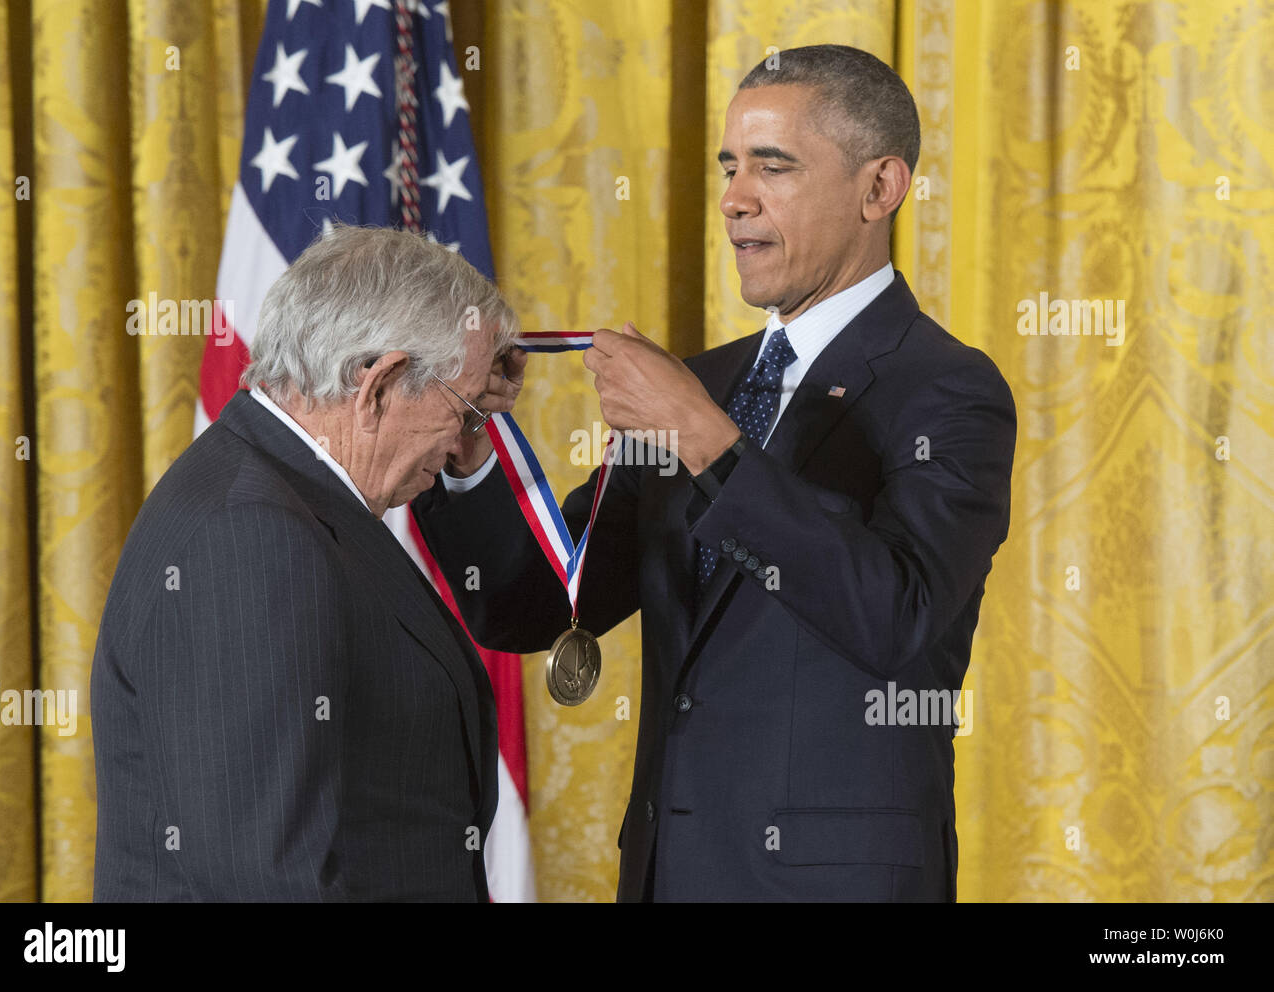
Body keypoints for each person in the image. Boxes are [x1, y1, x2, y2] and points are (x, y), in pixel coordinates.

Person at [416, 44, 1016, 901]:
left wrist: (704, 437)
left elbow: (896, 616)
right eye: (732, 167)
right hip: (668, 875)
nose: (734, 200)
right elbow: (532, 605)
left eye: (774, 167)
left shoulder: (950, 389)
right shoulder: (703, 381)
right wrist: (473, 449)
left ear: (879, 189)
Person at [91, 226, 518, 901]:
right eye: (465, 411)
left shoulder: (295, 496)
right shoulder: (252, 533)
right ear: (380, 386)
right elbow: (259, 879)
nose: (468, 438)